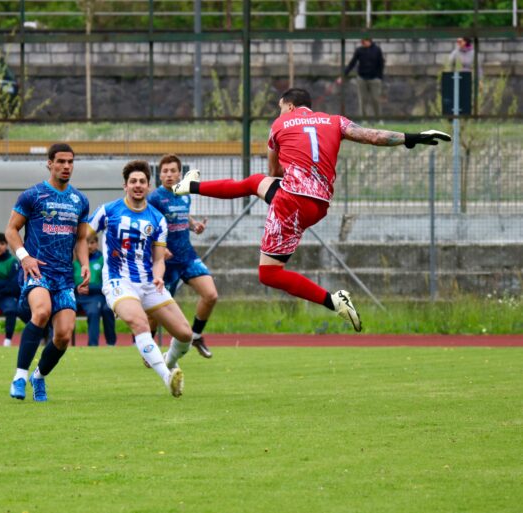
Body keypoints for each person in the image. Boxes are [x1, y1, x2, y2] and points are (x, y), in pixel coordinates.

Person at [173, 88, 451, 332]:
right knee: (254, 183)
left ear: (289, 105)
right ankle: (192, 185)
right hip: (318, 205)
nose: (280, 111)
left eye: (280, 107)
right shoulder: (335, 121)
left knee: (268, 273)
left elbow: (274, 171)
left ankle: (333, 300)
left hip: (291, 199)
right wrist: (412, 137)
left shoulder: (281, 123)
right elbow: (373, 136)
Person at [89, 160, 188, 397]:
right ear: (125, 186)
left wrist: (158, 277)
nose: (137, 185)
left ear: (148, 186)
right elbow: (84, 236)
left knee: (185, 334)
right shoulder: (108, 211)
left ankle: (168, 360)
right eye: (133, 181)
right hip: (118, 281)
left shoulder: (157, 218)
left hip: (148, 282)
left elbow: (158, 259)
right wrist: (84, 264)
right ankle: (167, 377)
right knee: (141, 324)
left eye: (142, 181)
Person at [6, 142, 91, 402]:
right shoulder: (33, 195)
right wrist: (25, 257)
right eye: (61, 162)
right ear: (50, 163)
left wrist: (84, 263)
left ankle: (38, 377)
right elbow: (11, 231)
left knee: (64, 335)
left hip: (64, 277)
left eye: (70, 162)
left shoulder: (80, 200)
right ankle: (19, 376)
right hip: (38, 271)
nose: (66, 166)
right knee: (41, 311)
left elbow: (80, 239)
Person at [148, 154, 218, 359]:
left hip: (187, 256)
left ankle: (196, 335)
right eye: (165, 171)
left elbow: (182, 215)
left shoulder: (185, 194)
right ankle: (148, 347)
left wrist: (194, 225)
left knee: (211, 295)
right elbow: (148, 224)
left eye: (173, 171)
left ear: (180, 174)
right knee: (156, 312)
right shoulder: (155, 198)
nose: (169, 175)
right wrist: (158, 248)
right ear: (159, 174)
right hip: (166, 262)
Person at [73, 233, 117, 347]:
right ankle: (57, 343)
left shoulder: (102, 260)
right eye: (86, 243)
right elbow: (68, 281)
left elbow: (107, 283)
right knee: (59, 309)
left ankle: (94, 345)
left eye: (92, 243)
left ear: (97, 244)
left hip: (96, 296)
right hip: (76, 296)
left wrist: (90, 288)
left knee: (95, 311)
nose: (88, 246)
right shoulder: (74, 262)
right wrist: (77, 288)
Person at [339, 37, 385, 118]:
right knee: (363, 100)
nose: (363, 43)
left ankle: (379, 119)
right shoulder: (359, 50)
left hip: (375, 78)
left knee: (376, 99)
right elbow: (352, 63)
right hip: (362, 78)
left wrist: (379, 77)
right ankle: (364, 119)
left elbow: (381, 64)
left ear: (369, 40)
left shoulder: (377, 50)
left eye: (364, 41)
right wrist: (343, 76)